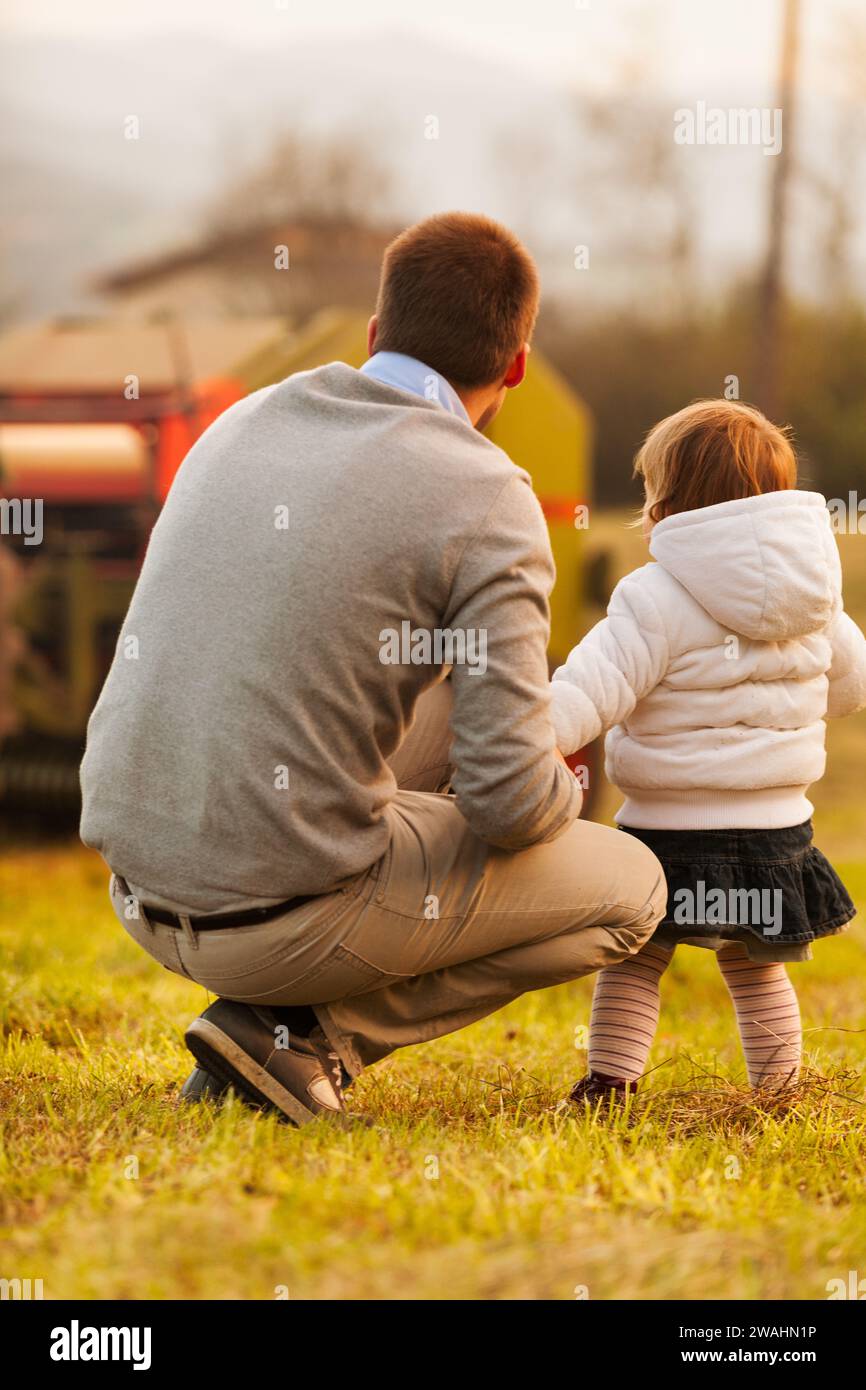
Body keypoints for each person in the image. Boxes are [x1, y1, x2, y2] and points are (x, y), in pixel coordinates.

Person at [80, 211, 665, 1126]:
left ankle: (269, 1025)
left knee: (431, 712)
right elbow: (510, 803)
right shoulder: (488, 493)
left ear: (373, 334)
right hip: (273, 923)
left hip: (137, 883)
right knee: (636, 888)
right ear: (514, 367)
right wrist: (565, 792)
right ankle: (309, 1039)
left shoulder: (239, 421)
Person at [551, 399, 866, 1104]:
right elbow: (849, 688)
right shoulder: (817, 599)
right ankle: (780, 1091)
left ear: (667, 503)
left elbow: (590, 692)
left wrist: (524, 740)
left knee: (636, 958)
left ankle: (611, 1083)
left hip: (667, 828)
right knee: (755, 968)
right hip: (775, 827)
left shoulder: (654, 595)